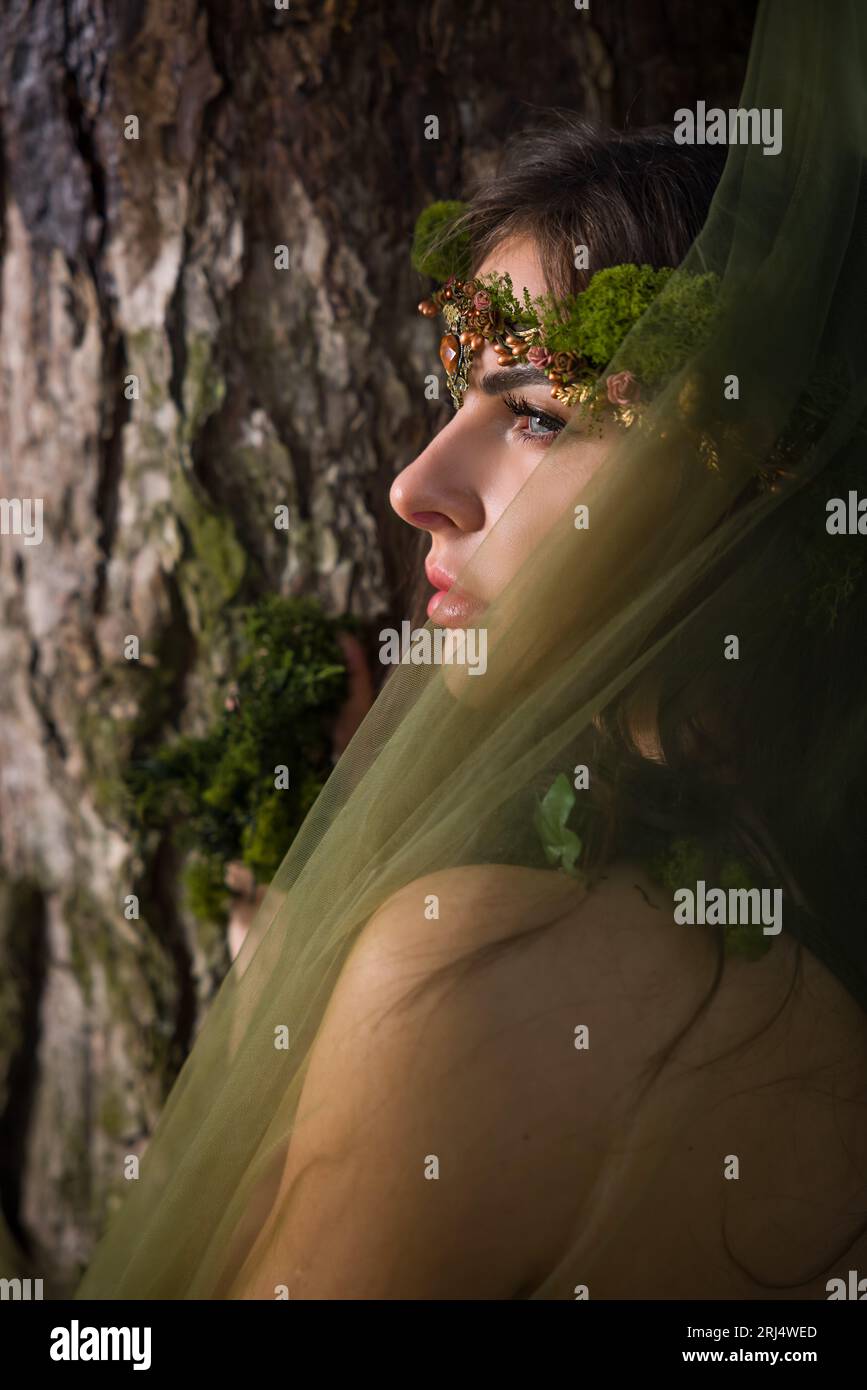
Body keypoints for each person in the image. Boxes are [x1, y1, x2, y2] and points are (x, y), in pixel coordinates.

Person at [74, 0, 867, 1300]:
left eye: (541, 417)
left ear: (756, 489)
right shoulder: (811, 982)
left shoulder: (471, 973)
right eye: (456, 399)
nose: (414, 485)